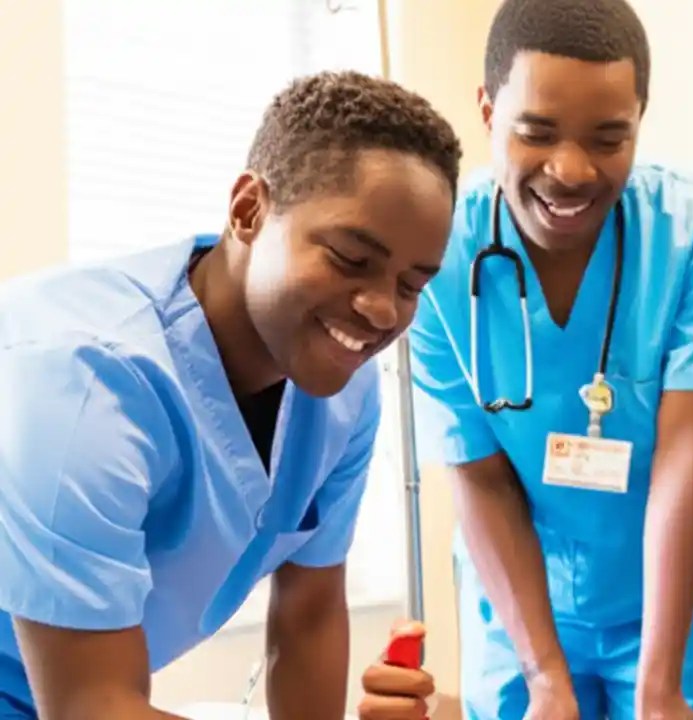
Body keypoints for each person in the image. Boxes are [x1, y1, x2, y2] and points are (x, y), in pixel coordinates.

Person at [0, 70, 459, 720]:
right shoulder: (82, 382)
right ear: (249, 210)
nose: (382, 311)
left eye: (411, 285)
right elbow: (90, 708)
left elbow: (308, 614)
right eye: (351, 258)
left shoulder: (344, 392)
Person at [407, 0, 693, 717]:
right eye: (536, 133)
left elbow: (686, 455)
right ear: (486, 111)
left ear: (640, 117)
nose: (570, 171)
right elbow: (478, 475)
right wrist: (544, 677)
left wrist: (660, 687)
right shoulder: (438, 249)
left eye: (608, 139)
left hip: (678, 601)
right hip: (519, 600)